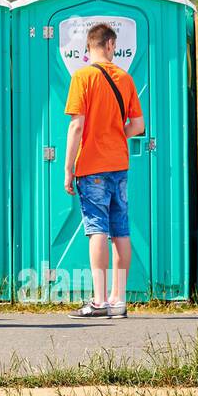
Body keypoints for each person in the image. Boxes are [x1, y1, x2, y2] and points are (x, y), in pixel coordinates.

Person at [63, 23, 145, 319]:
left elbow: (76, 125)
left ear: (90, 46)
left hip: (92, 165)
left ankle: (99, 301)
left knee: (96, 229)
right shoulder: (125, 78)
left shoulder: (82, 76)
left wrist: (68, 167)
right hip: (119, 164)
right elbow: (138, 126)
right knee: (120, 231)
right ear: (109, 44)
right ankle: (118, 299)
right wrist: (116, 134)